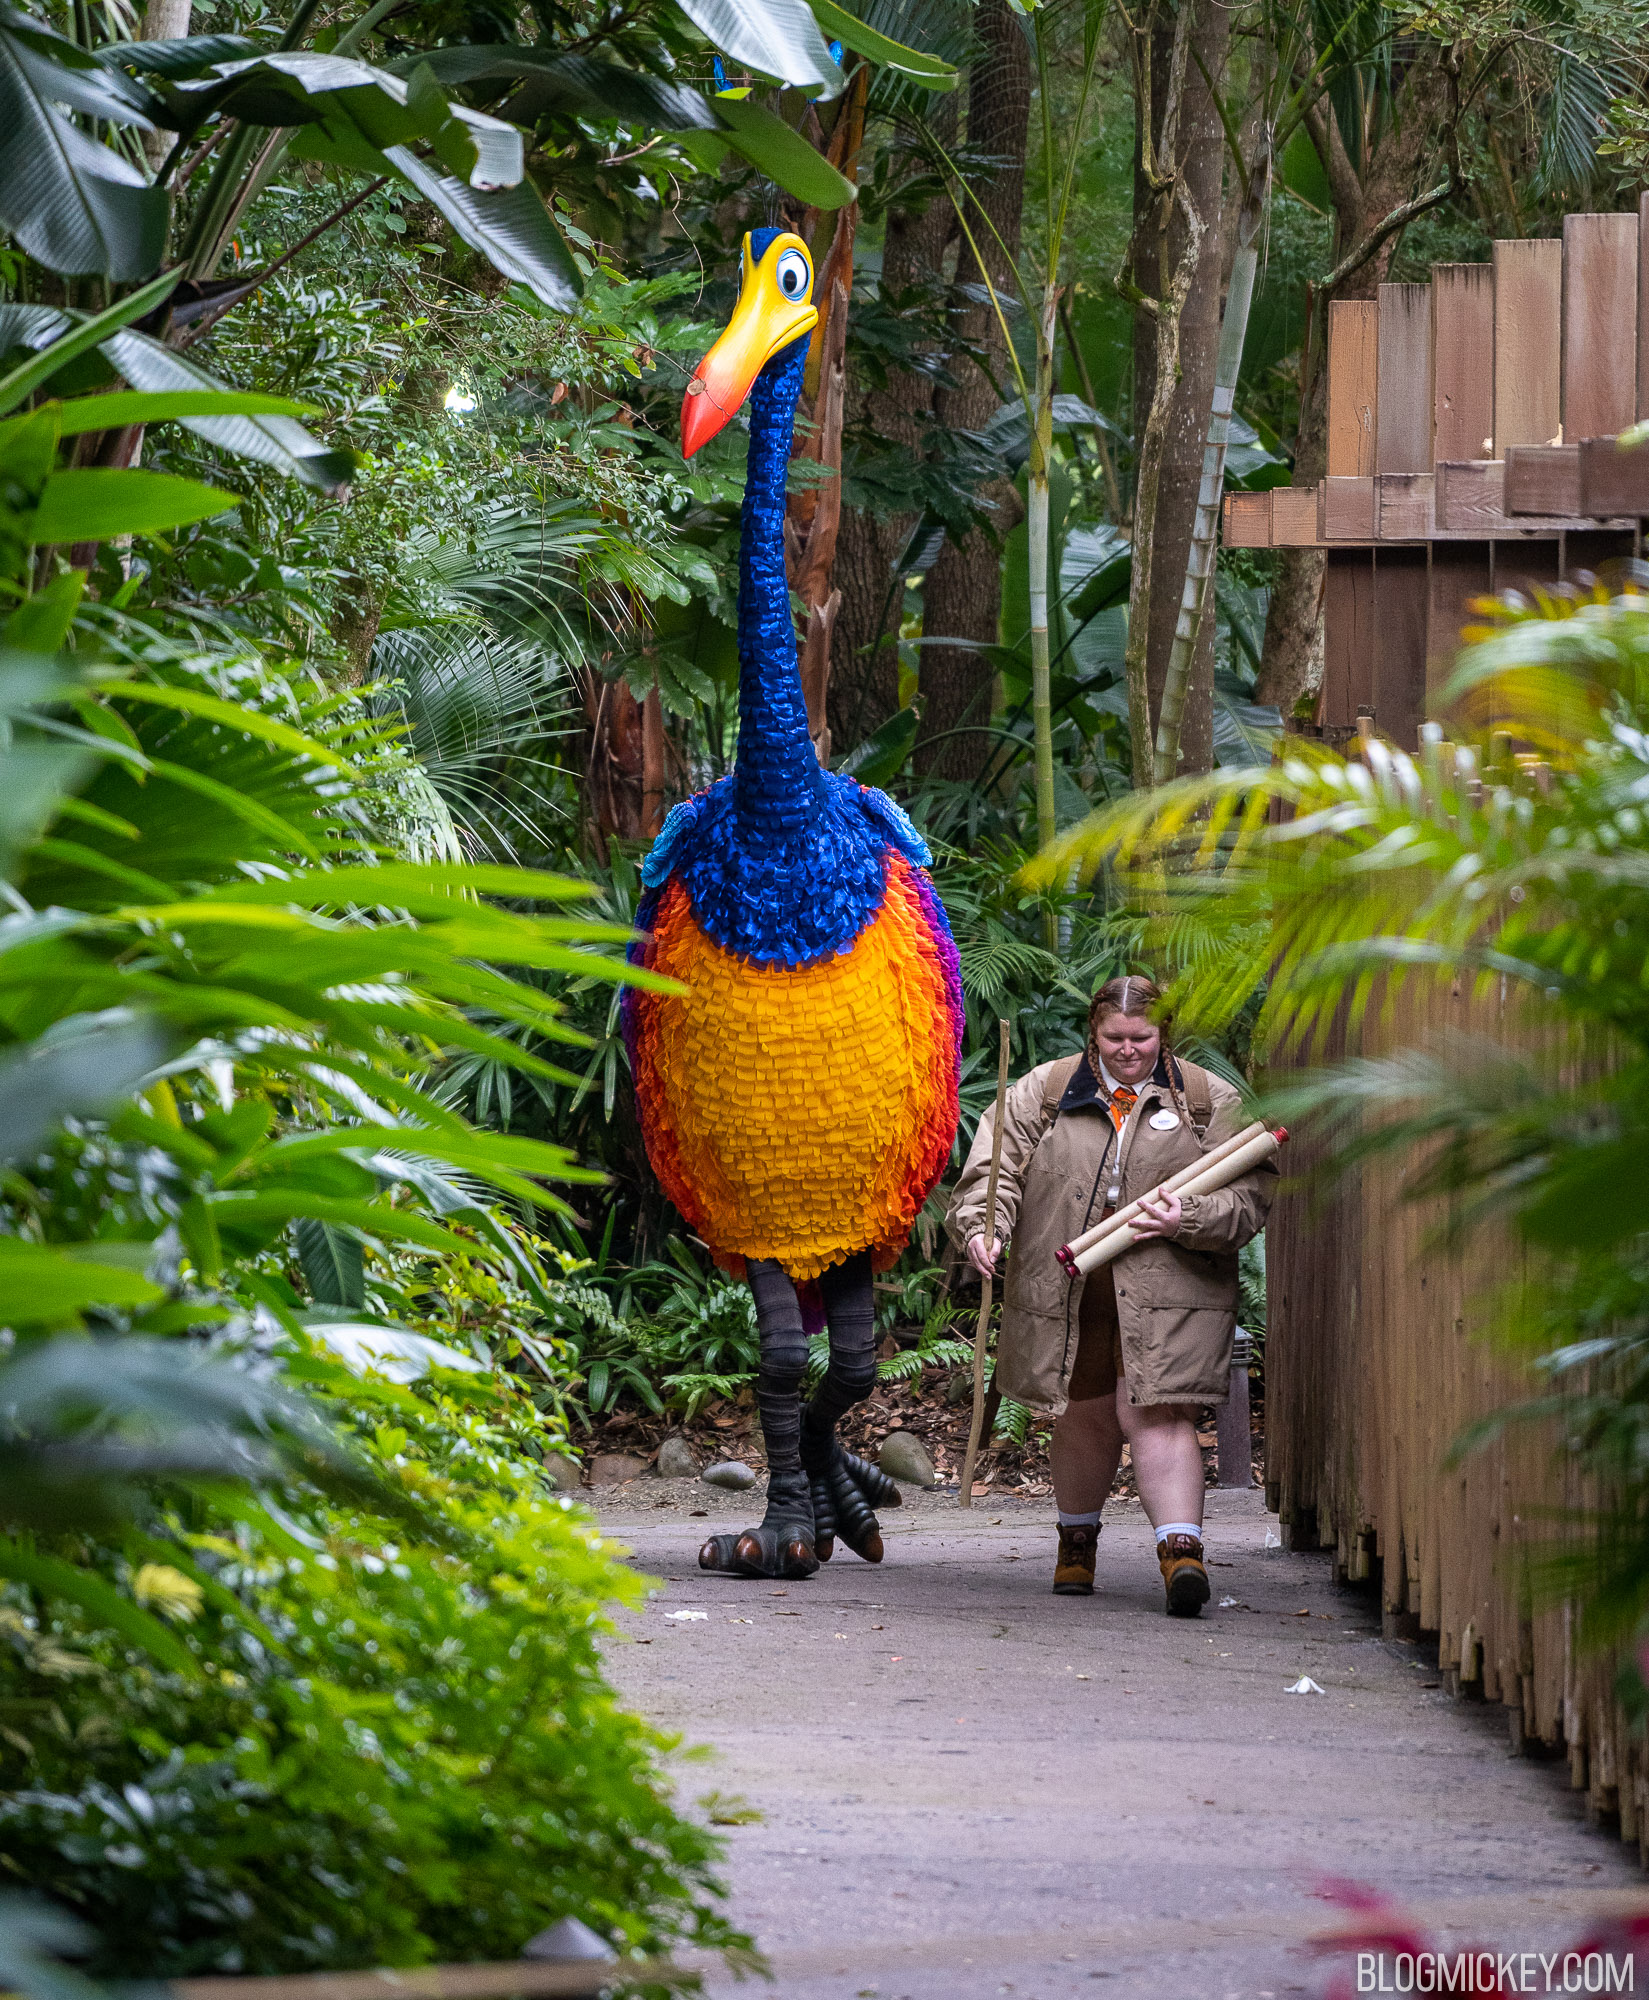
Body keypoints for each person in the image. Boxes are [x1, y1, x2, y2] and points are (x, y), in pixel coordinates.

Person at [945, 975, 1275, 1615]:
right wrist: (986, 1229)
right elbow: (994, 1171)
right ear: (1093, 1033)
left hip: (1173, 1289)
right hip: (1069, 1285)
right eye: (1114, 1038)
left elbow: (1248, 1200)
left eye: (1142, 1038)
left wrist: (1186, 1220)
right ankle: (1076, 1543)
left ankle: (1183, 1556)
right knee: (1081, 1411)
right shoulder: (1043, 1091)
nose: (1128, 1050)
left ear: (1163, 1036)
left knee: (1161, 1409)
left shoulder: (1207, 1100)